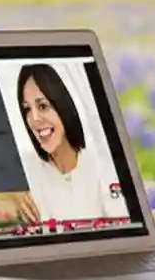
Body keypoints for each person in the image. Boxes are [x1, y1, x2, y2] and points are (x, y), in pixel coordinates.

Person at [15, 63, 125, 221]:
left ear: (64, 106)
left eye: (43, 106)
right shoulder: (25, 167)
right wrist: (10, 195)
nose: (34, 119)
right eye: (27, 109)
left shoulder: (102, 166)